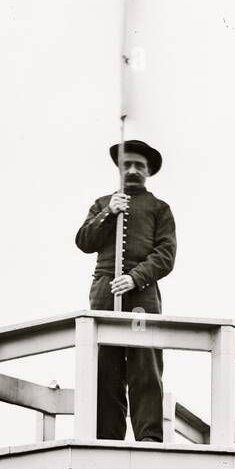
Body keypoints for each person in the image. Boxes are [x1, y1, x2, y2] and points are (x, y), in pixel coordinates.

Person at [74, 139, 176, 442]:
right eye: (127, 165)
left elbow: (166, 255)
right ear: (119, 168)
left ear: (148, 172)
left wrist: (135, 278)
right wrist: (108, 212)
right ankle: (107, 439)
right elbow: (84, 241)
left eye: (139, 166)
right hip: (105, 291)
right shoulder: (103, 202)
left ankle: (149, 439)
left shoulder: (160, 208)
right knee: (106, 368)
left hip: (142, 295)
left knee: (145, 364)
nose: (132, 170)